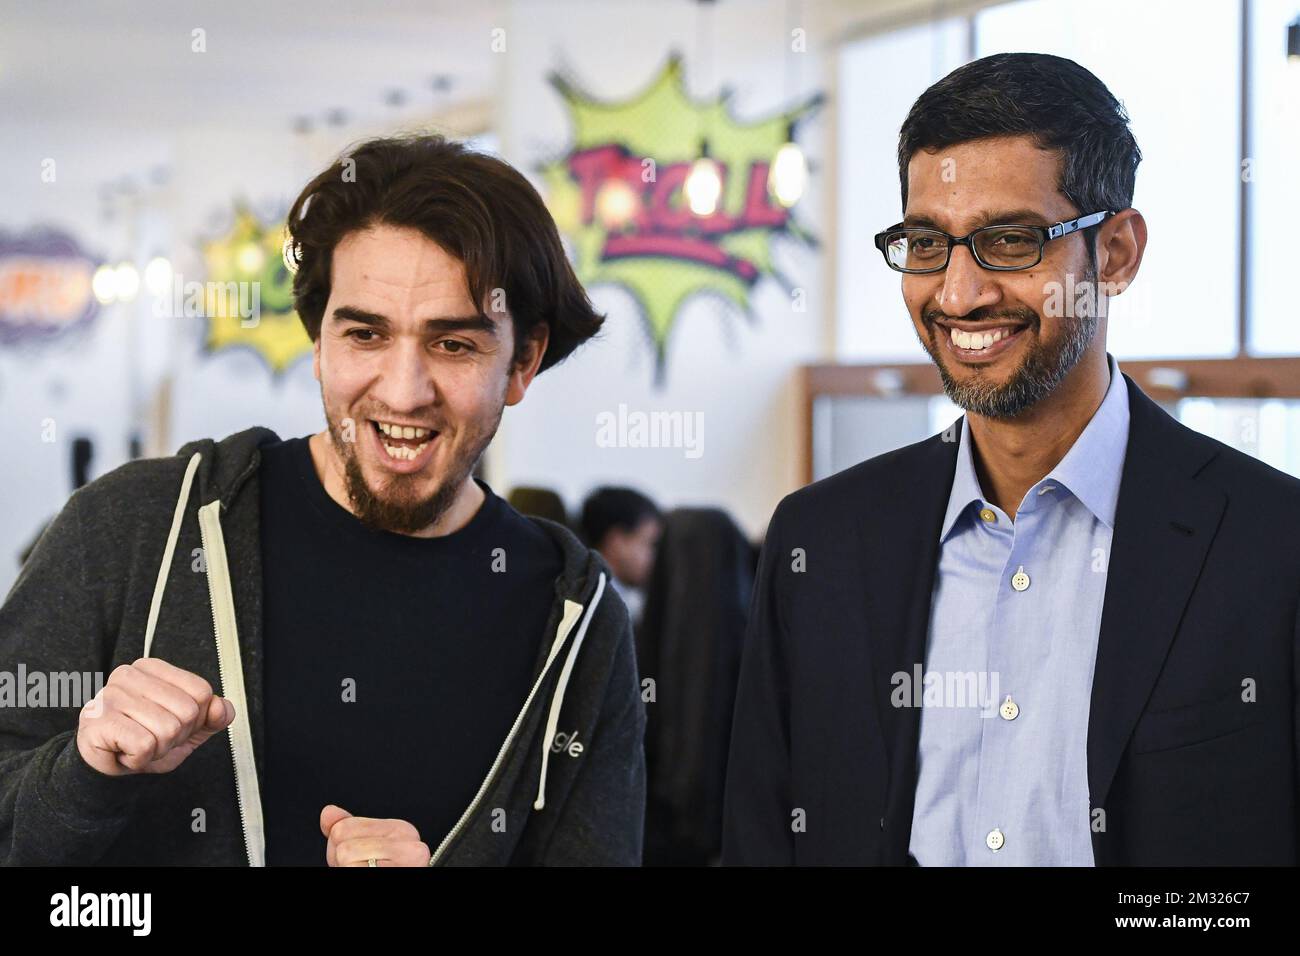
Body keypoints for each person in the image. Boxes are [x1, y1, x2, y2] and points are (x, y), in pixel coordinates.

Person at [0, 134, 646, 866]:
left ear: (523, 361)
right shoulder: (132, 530)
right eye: (365, 334)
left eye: (453, 345)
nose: (403, 390)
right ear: (318, 342)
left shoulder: (576, 622)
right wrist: (84, 773)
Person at [723, 53, 1300, 866]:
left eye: (1008, 240)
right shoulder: (821, 541)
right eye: (928, 243)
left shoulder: (1271, 544)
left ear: (1118, 254)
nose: (958, 295)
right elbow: (761, 842)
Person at [579, 487, 662, 625]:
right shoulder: (598, 609)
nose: (654, 556)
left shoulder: (632, 599)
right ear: (616, 543)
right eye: (649, 544)